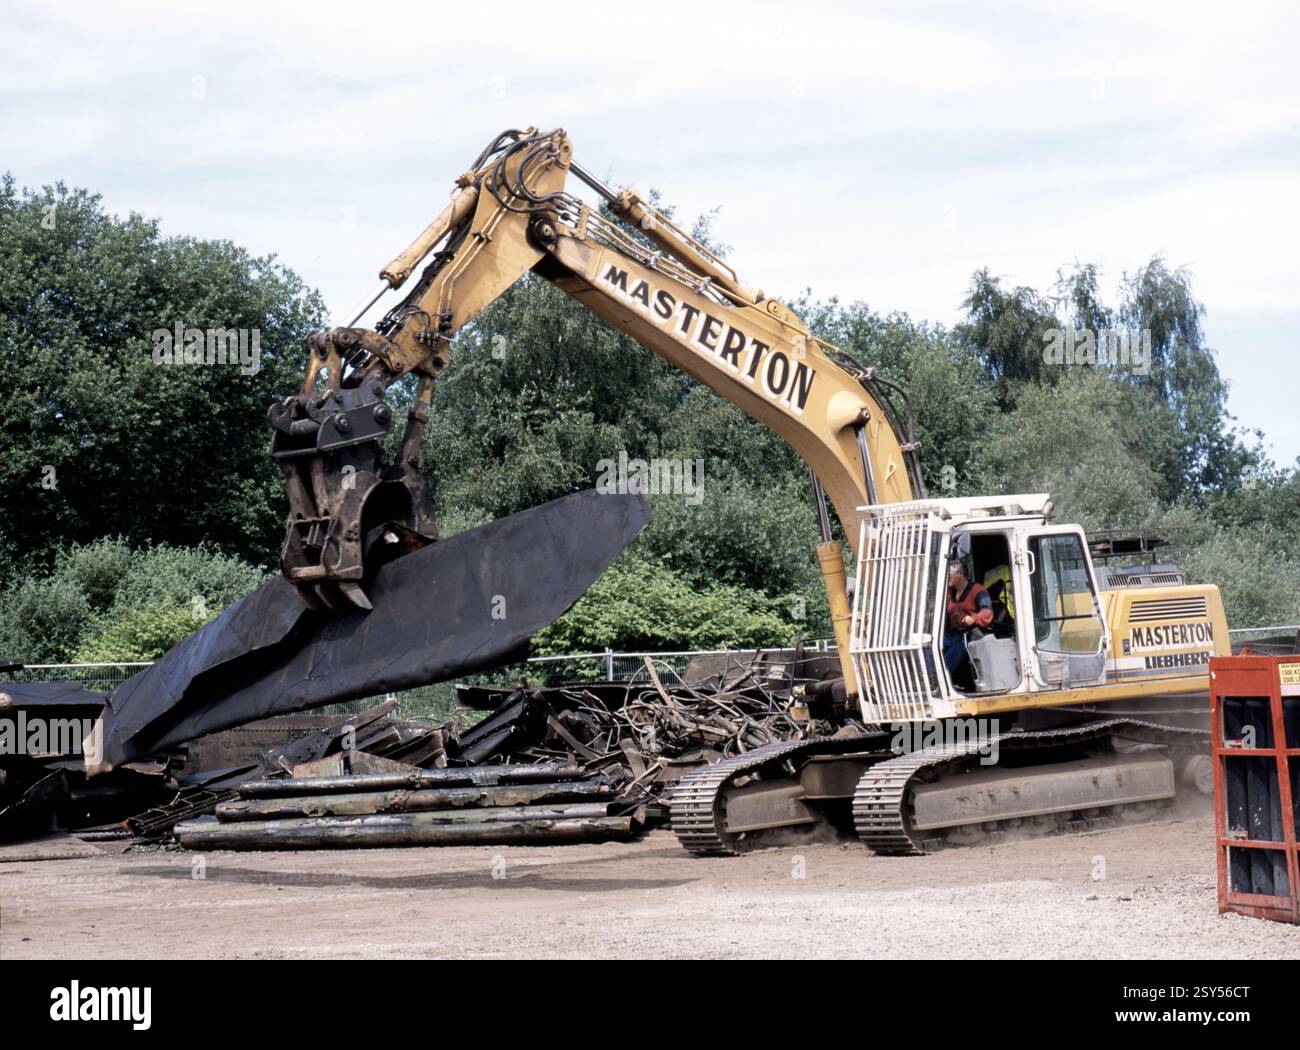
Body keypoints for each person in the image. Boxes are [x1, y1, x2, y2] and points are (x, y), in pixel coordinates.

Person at [943, 558, 993, 685]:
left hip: (969, 635)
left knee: (956, 650)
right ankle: (929, 675)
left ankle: (942, 678)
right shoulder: (948, 593)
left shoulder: (978, 590)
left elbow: (987, 613)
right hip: (951, 633)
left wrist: (973, 618)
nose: (946, 577)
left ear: (960, 574)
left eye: (949, 575)